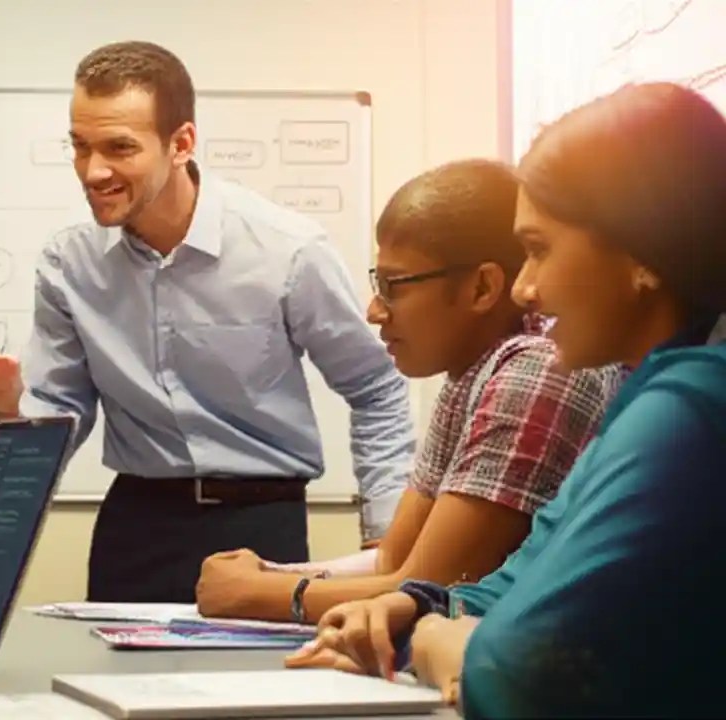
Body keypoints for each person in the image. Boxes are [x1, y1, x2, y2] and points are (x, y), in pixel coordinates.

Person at [285, 82, 726, 718]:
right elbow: (519, 577)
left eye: (540, 251)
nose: (525, 289)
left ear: (640, 253)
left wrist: (440, 642)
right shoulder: (642, 391)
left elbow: (517, 675)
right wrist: (417, 609)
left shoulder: (688, 412)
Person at [0, 40, 415, 603]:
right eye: (80, 146)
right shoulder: (70, 263)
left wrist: (387, 547)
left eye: (119, 148)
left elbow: (375, 388)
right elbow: (61, 416)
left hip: (261, 524)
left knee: (249, 691)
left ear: (181, 143)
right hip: (137, 524)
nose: (93, 171)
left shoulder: (287, 252)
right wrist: (10, 400)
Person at [195, 160, 622, 622]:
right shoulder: (473, 370)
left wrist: (262, 594)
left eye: (395, 286)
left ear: (483, 286)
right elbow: (394, 561)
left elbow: (427, 592)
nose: (375, 311)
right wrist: (271, 574)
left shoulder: (534, 370)